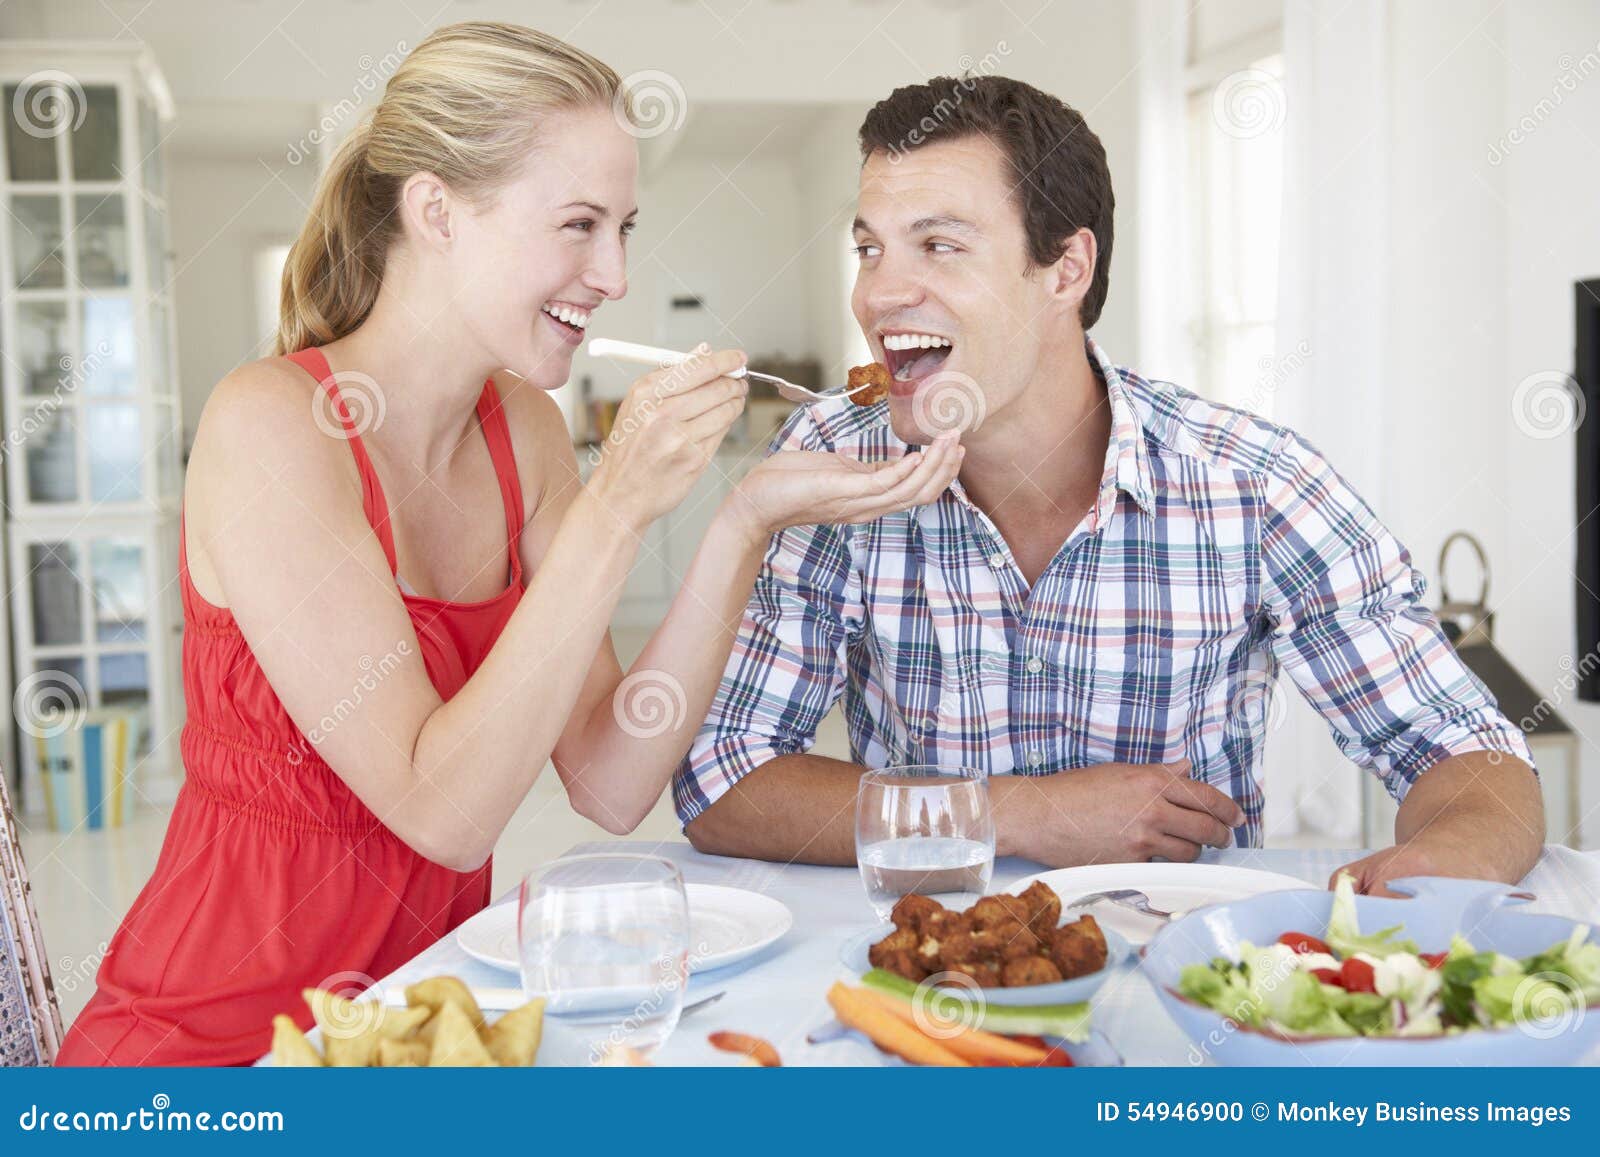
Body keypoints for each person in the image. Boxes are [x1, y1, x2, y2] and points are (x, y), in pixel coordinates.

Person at [57, 23, 960, 1067]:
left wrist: (744, 517)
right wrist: (615, 506)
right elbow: (442, 813)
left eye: (623, 226)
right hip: (216, 1048)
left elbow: (613, 780)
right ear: (436, 210)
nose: (614, 272)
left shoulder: (520, 431)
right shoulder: (271, 426)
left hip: (414, 1040)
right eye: (578, 225)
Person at [675, 75, 1543, 893]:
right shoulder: (831, 458)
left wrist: (1423, 886)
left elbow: (1467, 755)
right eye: (870, 248)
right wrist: (1014, 813)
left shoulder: (1251, 482)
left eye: (938, 245)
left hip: (1186, 979)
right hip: (928, 968)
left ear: (1066, 269)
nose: (880, 293)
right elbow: (723, 776)